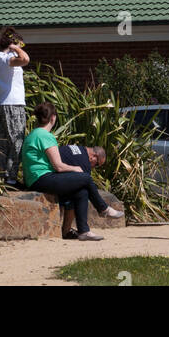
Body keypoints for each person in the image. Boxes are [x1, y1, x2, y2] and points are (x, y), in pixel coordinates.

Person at [22, 103, 122, 241]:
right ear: (53, 118)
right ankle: (103, 209)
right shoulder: (45, 136)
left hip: (36, 179)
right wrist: (76, 169)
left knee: (81, 190)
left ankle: (84, 231)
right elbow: (58, 166)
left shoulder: (34, 133)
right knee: (85, 178)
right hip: (42, 179)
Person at [0, 27, 30, 186]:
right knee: (16, 141)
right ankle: (11, 178)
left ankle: (3, 175)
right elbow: (26, 59)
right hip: (12, 105)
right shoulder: (7, 58)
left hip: (2, 104)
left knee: (4, 142)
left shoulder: (0, 58)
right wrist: (15, 47)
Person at [56, 143, 107, 238]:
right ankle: (103, 208)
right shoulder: (84, 162)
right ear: (93, 157)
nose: (94, 167)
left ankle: (73, 230)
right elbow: (84, 182)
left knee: (78, 192)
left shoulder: (79, 149)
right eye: (97, 164)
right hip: (52, 178)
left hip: (52, 173)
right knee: (81, 191)